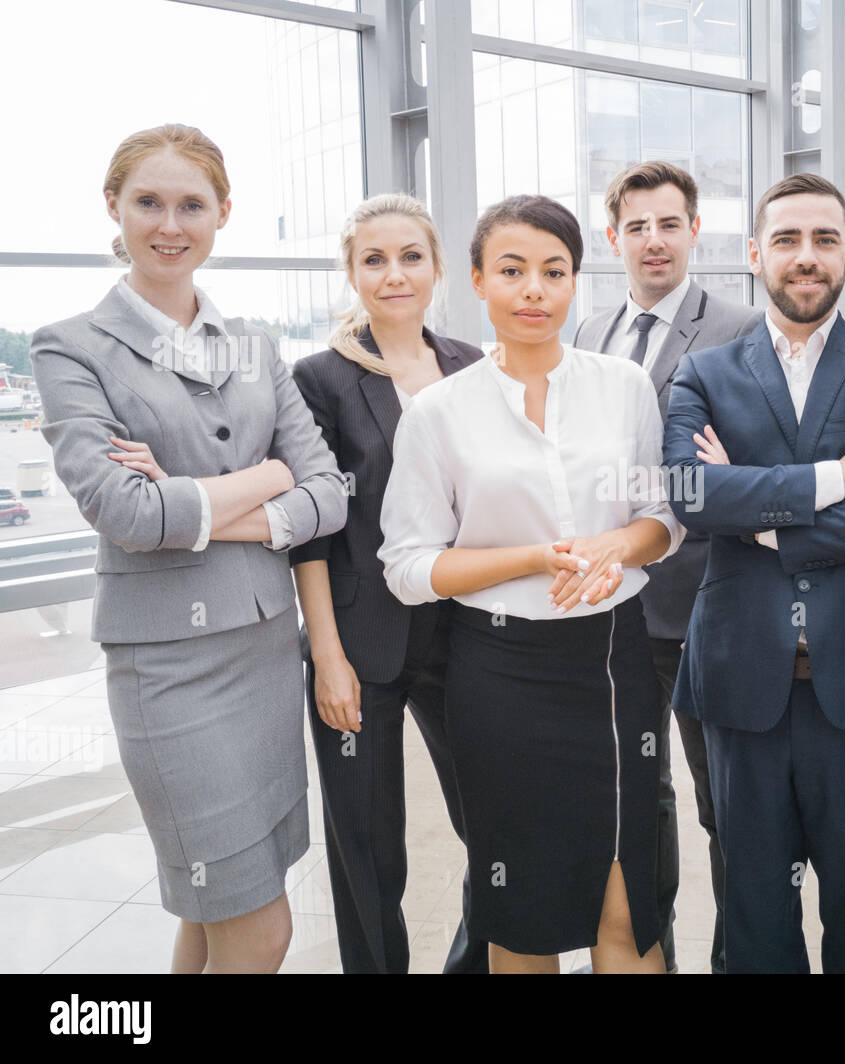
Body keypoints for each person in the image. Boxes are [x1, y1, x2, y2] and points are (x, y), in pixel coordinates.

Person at [30, 124, 347, 973]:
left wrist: (192, 496)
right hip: (169, 671)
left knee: (214, 915)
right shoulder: (69, 346)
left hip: (264, 652)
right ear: (114, 208)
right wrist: (267, 474)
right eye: (148, 202)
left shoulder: (254, 343)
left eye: (191, 205)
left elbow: (328, 497)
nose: (170, 224)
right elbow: (123, 513)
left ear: (222, 215)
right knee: (261, 926)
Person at [378, 194, 685, 973]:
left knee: (628, 905)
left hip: (614, 664)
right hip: (500, 673)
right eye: (511, 271)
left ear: (576, 281)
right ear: (477, 281)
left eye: (554, 272)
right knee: (522, 915)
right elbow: (409, 568)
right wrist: (532, 557)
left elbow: (663, 519)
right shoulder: (438, 412)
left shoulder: (624, 386)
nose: (534, 291)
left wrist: (618, 542)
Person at [664, 173, 845, 973]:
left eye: (825, 239)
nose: (806, 257)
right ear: (756, 255)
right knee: (753, 912)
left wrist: (757, 522)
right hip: (740, 681)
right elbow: (690, 493)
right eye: (787, 240)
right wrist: (836, 479)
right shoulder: (705, 373)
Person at [288, 194, 486, 974]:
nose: (393, 273)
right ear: (352, 273)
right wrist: (327, 658)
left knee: (493, 827)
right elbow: (312, 527)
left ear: (438, 269)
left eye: (410, 256)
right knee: (369, 852)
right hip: (359, 641)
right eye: (374, 259)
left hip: (464, 633)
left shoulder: (474, 365)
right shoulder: (319, 379)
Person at [573, 160, 761, 973]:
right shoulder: (586, 332)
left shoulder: (741, 328)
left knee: (728, 806)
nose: (654, 240)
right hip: (613, 613)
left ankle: (741, 959)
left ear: (694, 231)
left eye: (670, 223)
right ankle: (654, 959)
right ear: (613, 238)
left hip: (706, 611)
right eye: (637, 226)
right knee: (633, 804)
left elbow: (755, 463)